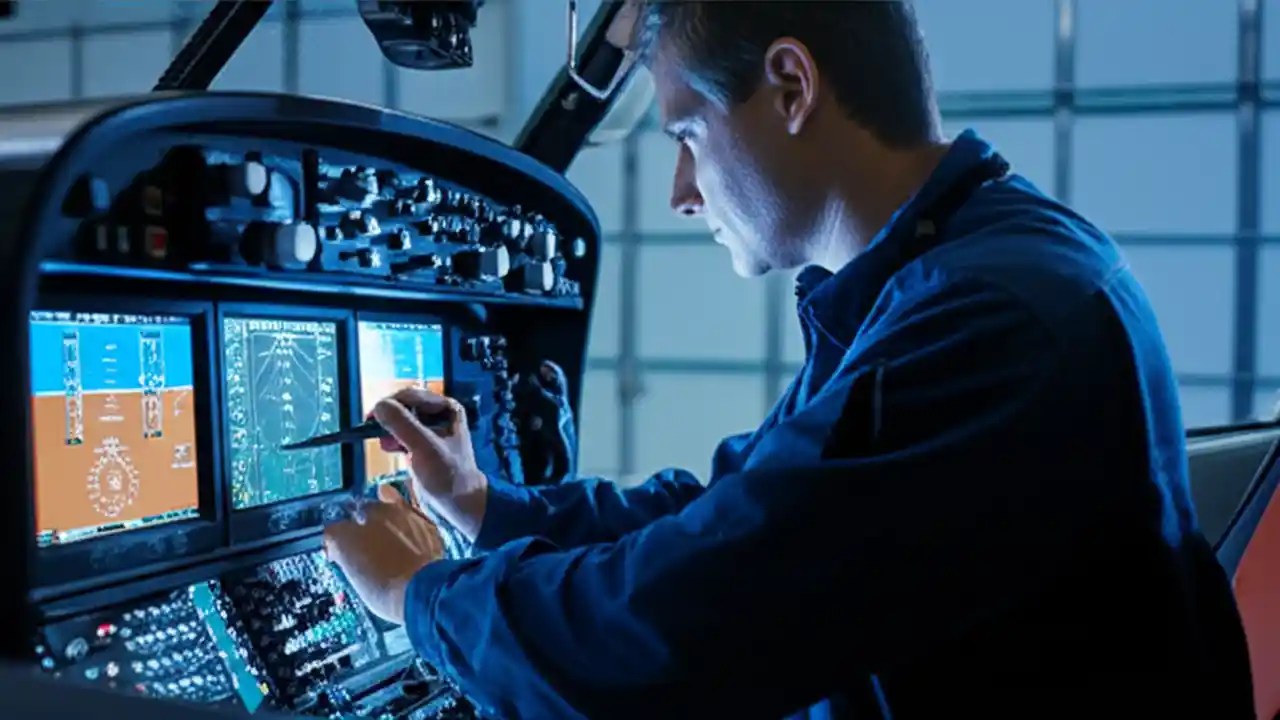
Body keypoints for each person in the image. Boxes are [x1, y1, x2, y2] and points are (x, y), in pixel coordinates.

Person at [322, 1, 1257, 717]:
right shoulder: (950, 269)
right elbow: (735, 513)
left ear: (790, 87)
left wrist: (420, 594)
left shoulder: (988, 322)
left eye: (687, 135)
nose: (683, 193)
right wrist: (484, 506)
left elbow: (685, 629)